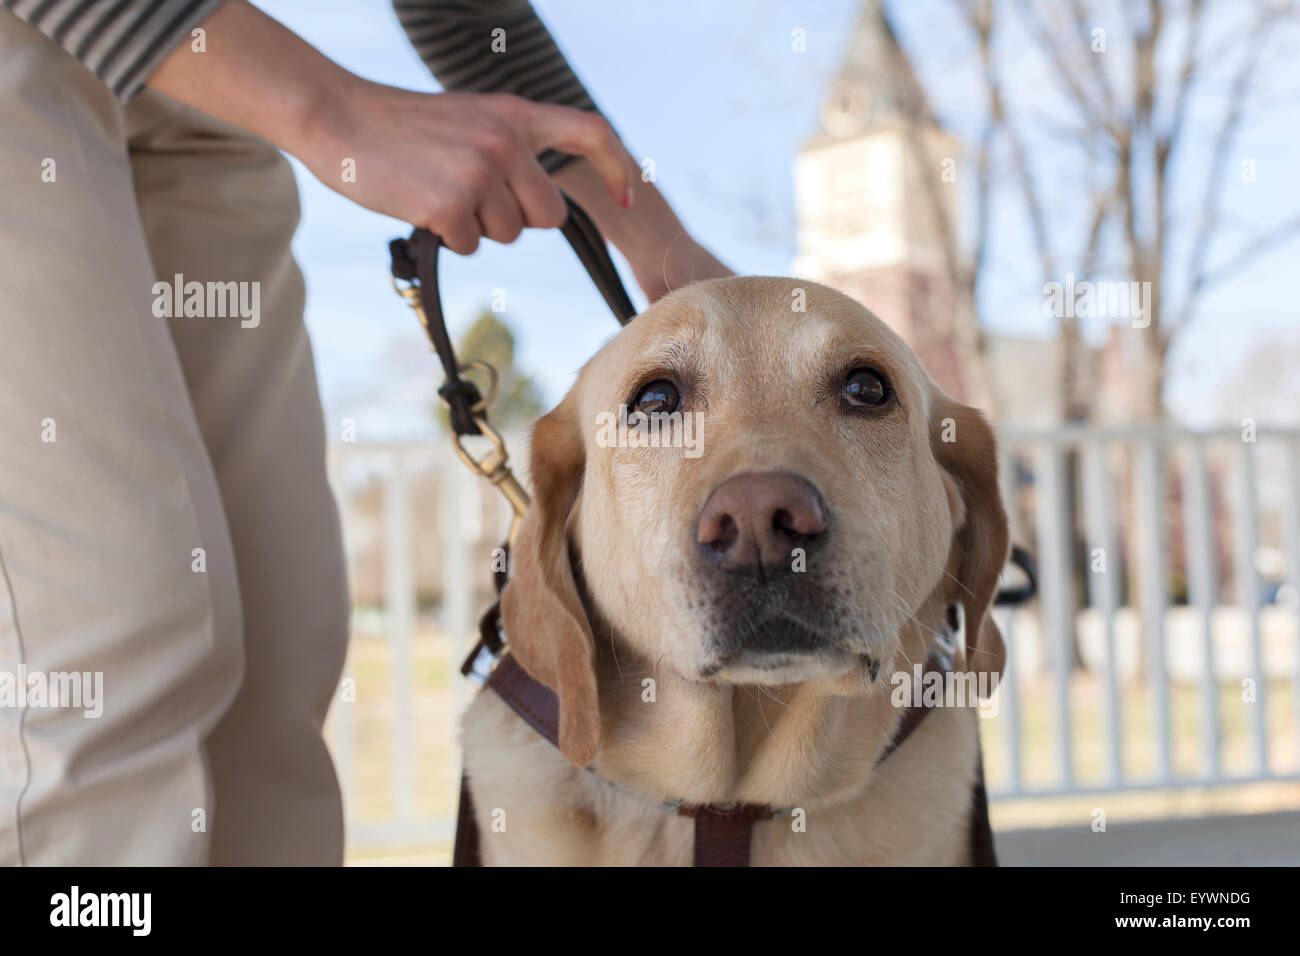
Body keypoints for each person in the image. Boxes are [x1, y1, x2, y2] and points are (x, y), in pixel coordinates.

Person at [0, 0, 730, 865]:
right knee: (119, 648)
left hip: (207, 78)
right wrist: (330, 111)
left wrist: (669, 255)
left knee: (282, 650)